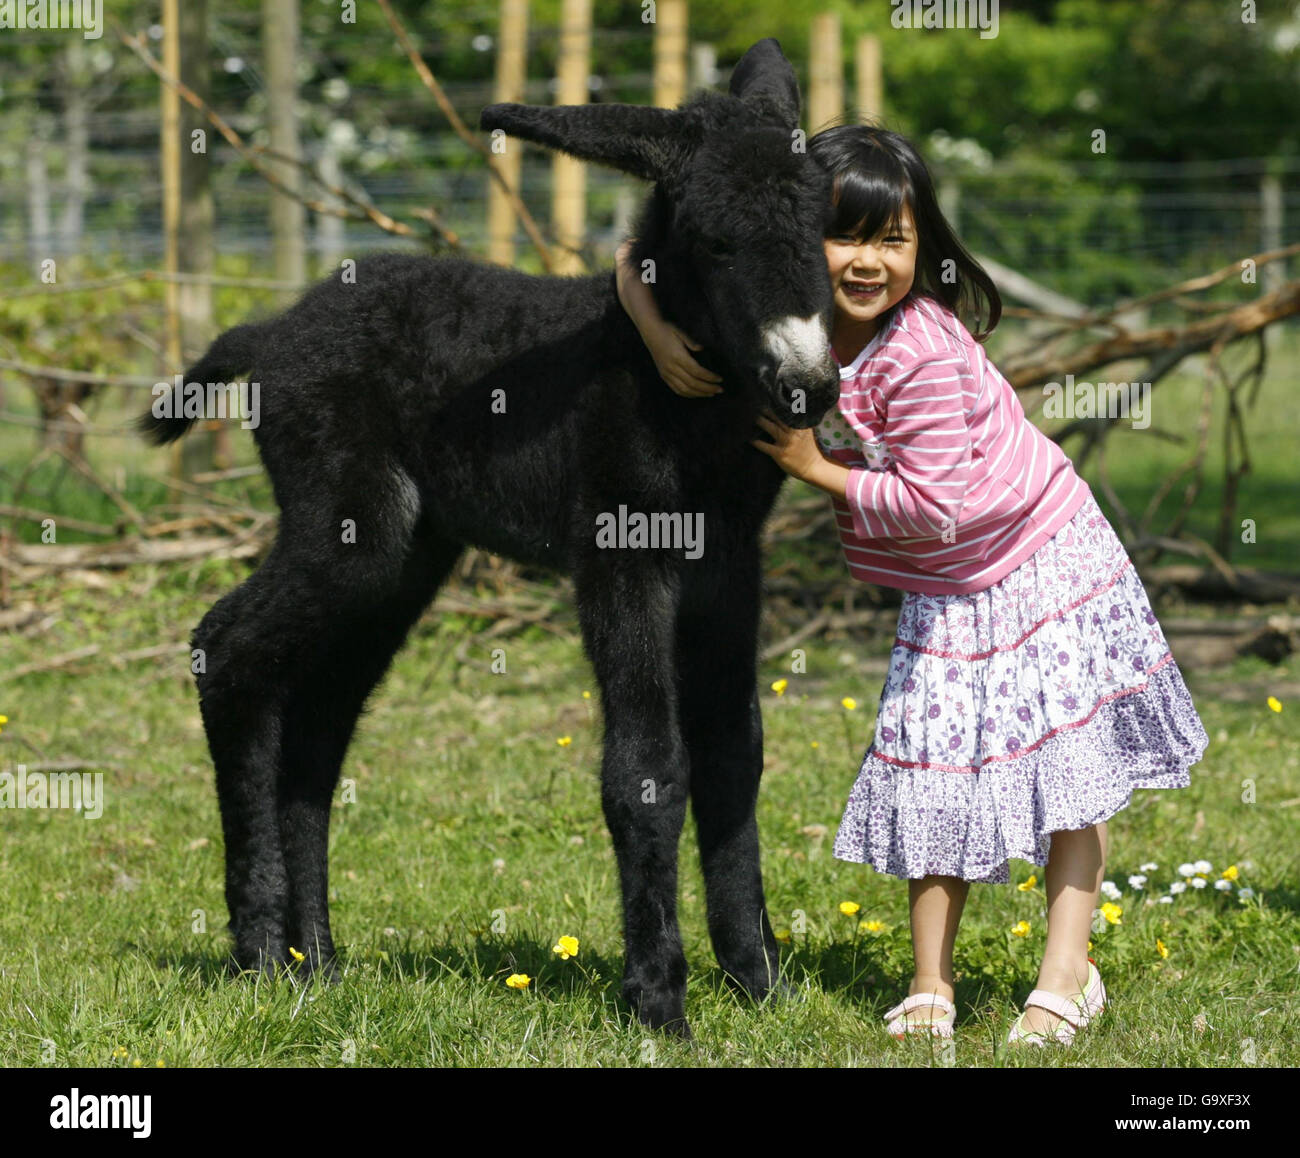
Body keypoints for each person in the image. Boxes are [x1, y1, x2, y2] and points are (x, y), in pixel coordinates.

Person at [613, 122, 1208, 1049]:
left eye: (894, 240)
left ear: (921, 246)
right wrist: (655, 333)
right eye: (847, 236)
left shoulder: (920, 351)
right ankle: (931, 982)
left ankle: (1066, 976)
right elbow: (635, 261)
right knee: (933, 770)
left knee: (1064, 779)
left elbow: (941, 506)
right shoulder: (792, 323)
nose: (870, 261)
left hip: (1037, 560)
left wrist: (816, 470)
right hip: (951, 589)